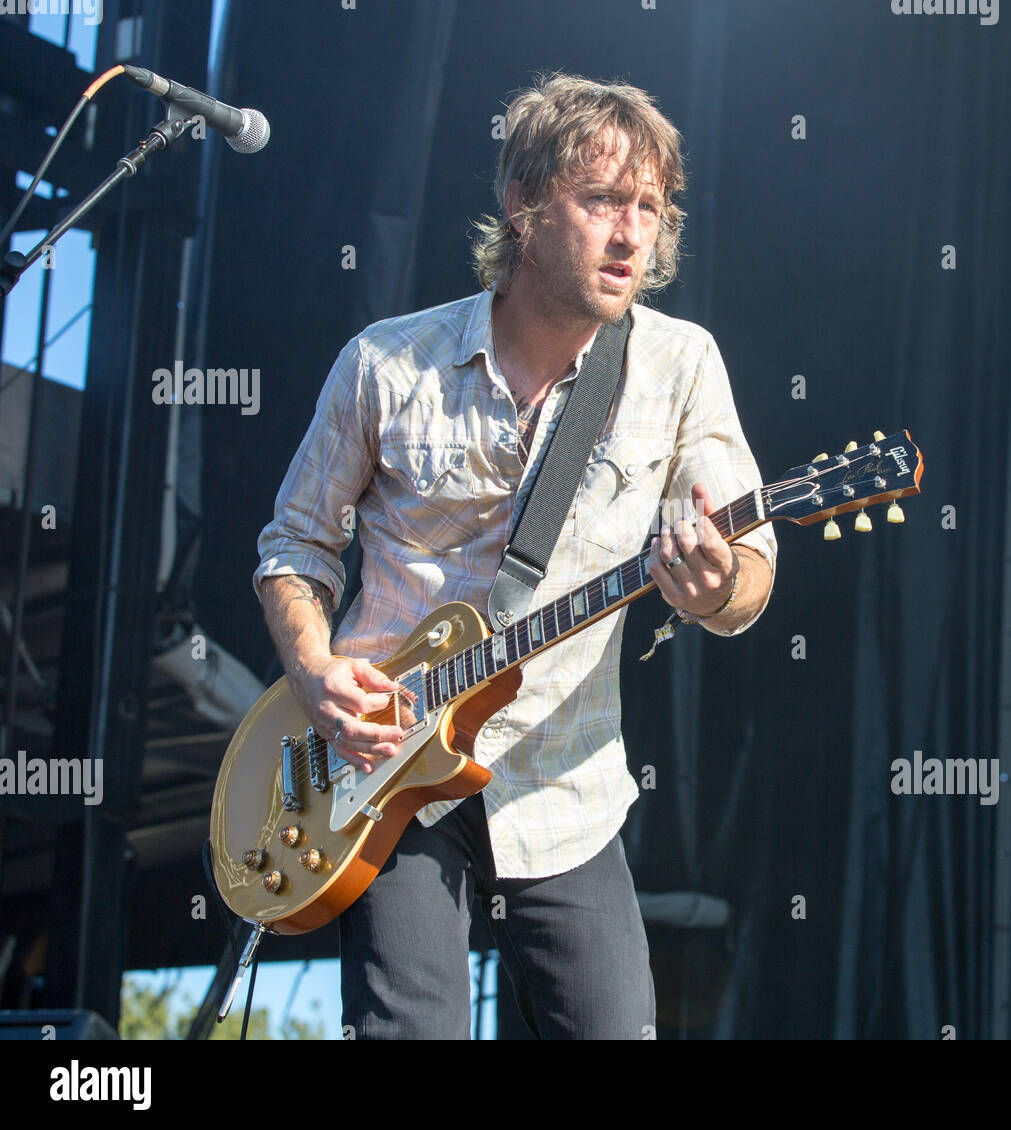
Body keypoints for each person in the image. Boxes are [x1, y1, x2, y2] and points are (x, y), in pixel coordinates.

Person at [252, 72, 777, 1039]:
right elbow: (295, 541)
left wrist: (721, 585)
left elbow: (749, 566)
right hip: (386, 772)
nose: (632, 235)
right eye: (602, 201)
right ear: (524, 204)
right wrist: (316, 669)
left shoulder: (679, 364)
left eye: (650, 210)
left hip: (565, 780)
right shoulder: (385, 363)